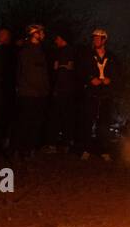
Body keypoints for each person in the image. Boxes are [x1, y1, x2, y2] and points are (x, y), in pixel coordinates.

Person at [78, 28, 117, 160]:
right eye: (94, 38)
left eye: (98, 38)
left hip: (106, 94)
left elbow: (118, 74)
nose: (95, 40)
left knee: (104, 123)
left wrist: (110, 79)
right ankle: (85, 149)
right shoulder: (87, 55)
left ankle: (104, 150)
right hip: (91, 93)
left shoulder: (112, 57)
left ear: (104, 40)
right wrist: (90, 79)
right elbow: (81, 71)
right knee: (87, 122)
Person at [13, 24, 50, 157]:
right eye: (41, 32)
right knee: (24, 121)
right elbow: (28, 74)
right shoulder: (26, 51)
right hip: (28, 93)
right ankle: (17, 148)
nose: (43, 35)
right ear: (35, 34)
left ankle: (29, 148)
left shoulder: (40, 50)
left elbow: (43, 73)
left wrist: (45, 90)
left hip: (38, 94)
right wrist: (41, 88)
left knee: (34, 122)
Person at [45, 30, 76, 151]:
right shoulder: (70, 52)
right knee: (65, 117)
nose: (55, 41)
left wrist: (56, 88)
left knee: (56, 117)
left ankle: (53, 144)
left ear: (62, 39)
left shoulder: (64, 52)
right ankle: (66, 143)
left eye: (57, 38)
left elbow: (61, 71)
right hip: (68, 90)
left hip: (62, 90)